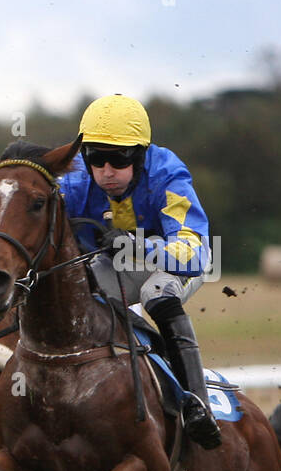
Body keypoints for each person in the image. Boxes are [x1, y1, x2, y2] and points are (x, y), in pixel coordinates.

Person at [59, 94, 221, 449]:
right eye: (95, 158)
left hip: (177, 264)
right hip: (115, 264)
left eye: (118, 159)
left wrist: (137, 245)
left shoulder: (168, 174)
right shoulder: (72, 184)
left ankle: (196, 404)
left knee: (155, 293)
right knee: (74, 299)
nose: (106, 171)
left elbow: (192, 253)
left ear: (141, 155)